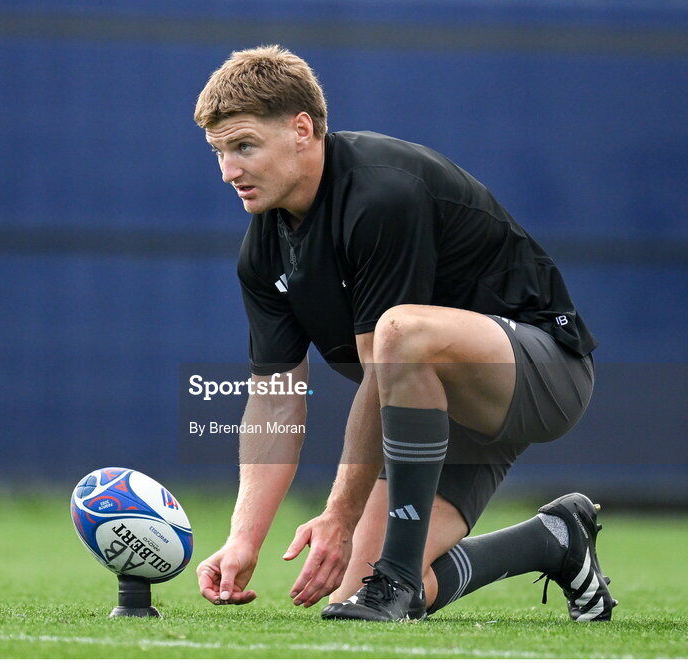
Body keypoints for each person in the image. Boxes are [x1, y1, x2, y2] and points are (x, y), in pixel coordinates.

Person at [192, 45, 616, 622]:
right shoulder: (263, 250)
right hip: (437, 405)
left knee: (400, 330)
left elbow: (384, 361)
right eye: (218, 151)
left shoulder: (379, 193)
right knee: (358, 599)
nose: (228, 170)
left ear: (301, 129)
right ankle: (554, 540)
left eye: (243, 146)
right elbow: (275, 400)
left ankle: (391, 574)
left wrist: (339, 516)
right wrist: (244, 538)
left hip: (540, 372)